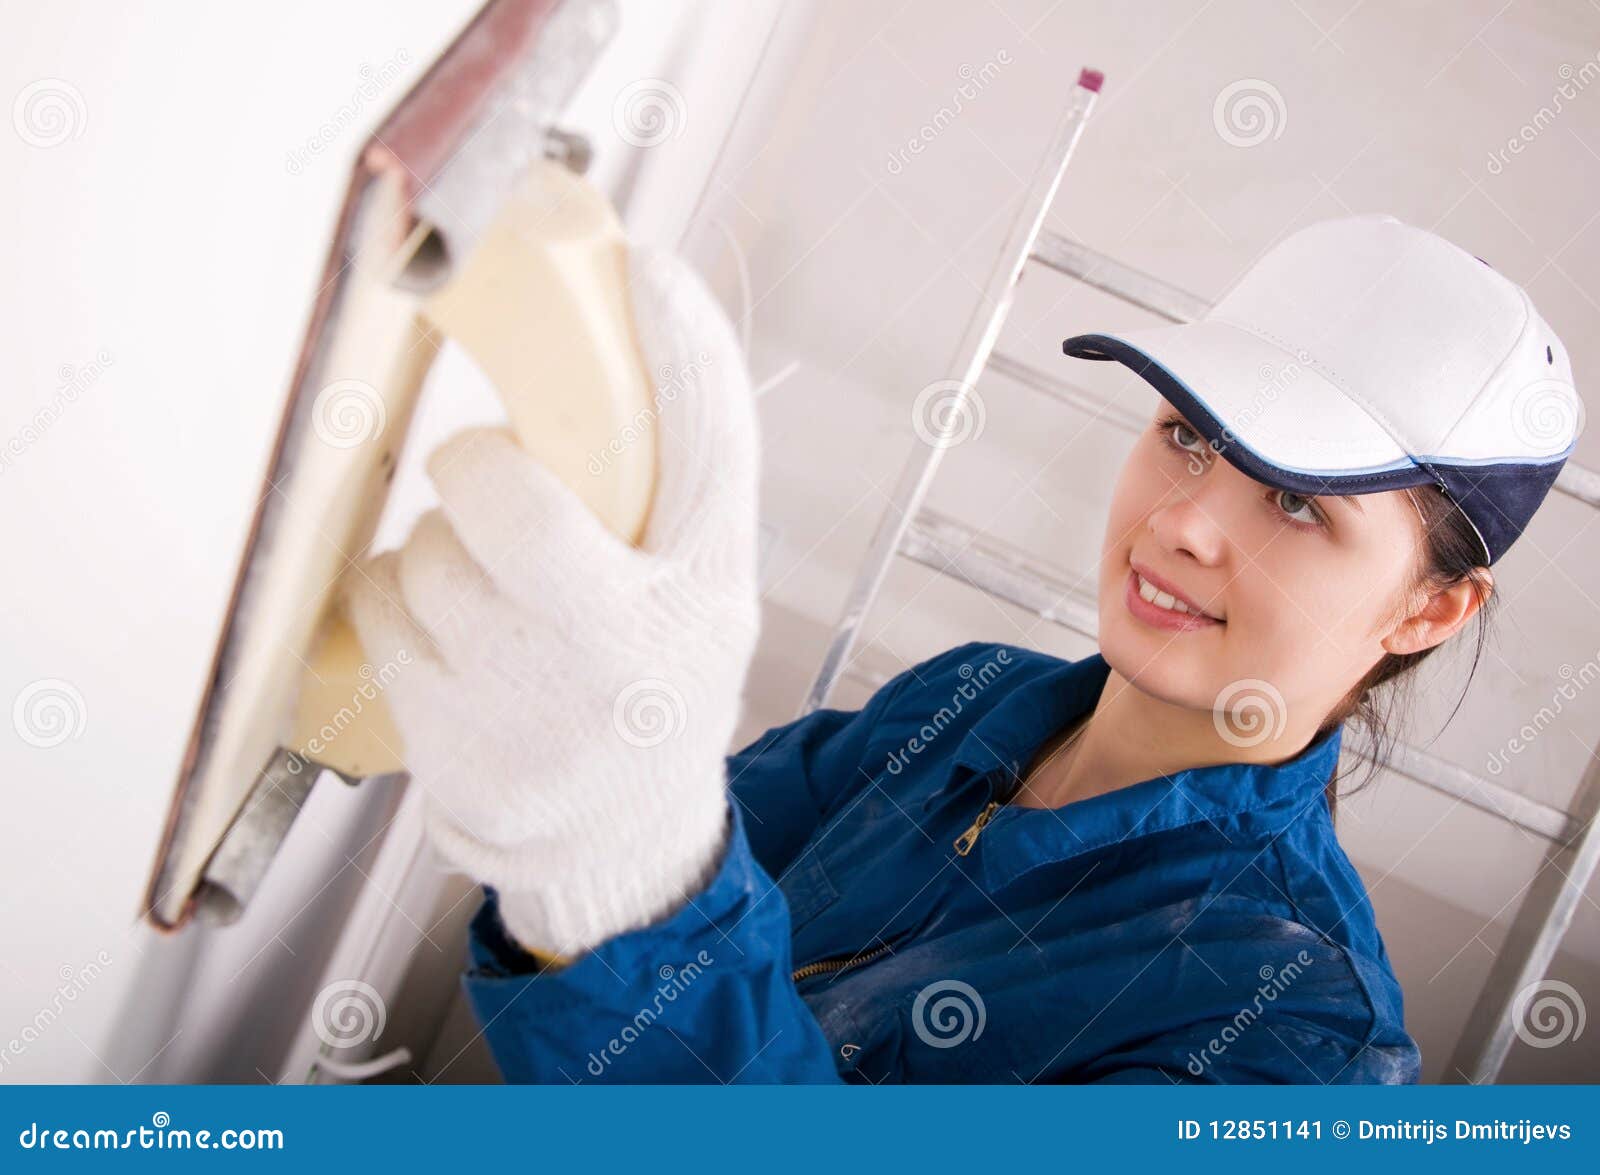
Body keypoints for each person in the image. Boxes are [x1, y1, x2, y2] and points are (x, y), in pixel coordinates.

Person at [342, 214, 1583, 1083]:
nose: (1184, 523)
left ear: (1428, 610)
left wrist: (623, 883)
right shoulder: (966, 699)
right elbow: (656, 852)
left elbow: (642, 890)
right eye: (1186, 436)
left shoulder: (1294, 1039)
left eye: (1299, 504)